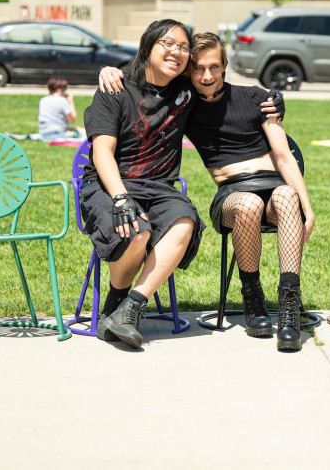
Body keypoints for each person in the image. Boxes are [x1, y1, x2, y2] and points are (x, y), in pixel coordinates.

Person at [99, 32, 314, 351]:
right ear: (189, 72)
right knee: (248, 203)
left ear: (225, 65)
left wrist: (307, 209)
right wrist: (108, 70)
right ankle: (253, 298)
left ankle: (288, 310)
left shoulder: (256, 98)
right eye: (198, 68)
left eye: (214, 67)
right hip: (233, 194)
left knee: (287, 196)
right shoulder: (185, 105)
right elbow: (149, 74)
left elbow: (284, 156)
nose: (207, 75)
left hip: (274, 187)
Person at [80, 18, 205, 349]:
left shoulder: (186, 92)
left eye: (184, 47)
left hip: (159, 188)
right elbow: (102, 152)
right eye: (168, 43)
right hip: (109, 186)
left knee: (184, 221)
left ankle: (129, 308)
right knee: (137, 230)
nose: (176, 52)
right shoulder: (116, 87)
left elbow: (221, 83)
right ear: (148, 46)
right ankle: (115, 302)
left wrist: (268, 101)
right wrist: (121, 198)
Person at [38, 77, 85, 141]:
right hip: (59, 134)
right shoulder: (62, 101)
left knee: (77, 129)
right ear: (59, 89)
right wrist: (71, 102)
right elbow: (72, 120)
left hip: (44, 134)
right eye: (65, 88)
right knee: (81, 131)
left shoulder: (43, 100)